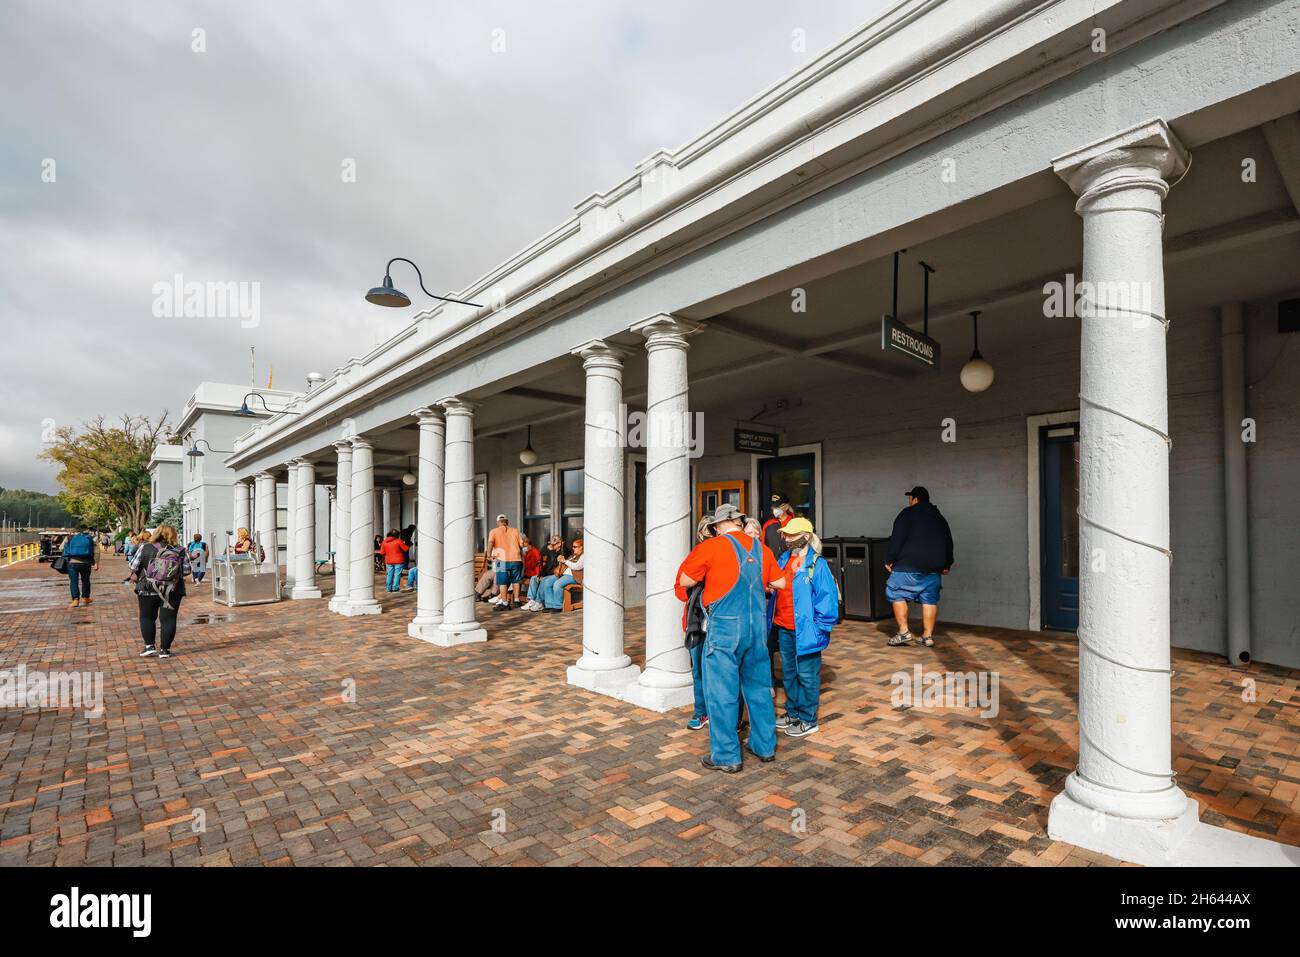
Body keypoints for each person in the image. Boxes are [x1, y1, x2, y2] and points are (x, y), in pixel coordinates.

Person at [676, 504, 786, 772]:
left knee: (722, 691)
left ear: (716, 526)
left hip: (725, 628)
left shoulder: (711, 546)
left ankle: (726, 755)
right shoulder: (761, 548)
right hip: (756, 628)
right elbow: (780, 583)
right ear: (740, 522)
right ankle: (764, 746)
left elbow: (685, 580)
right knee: (759, 688)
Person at [769, 518, 838, 738]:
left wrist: (820, 628)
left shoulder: (817, 564)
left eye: (792, 535)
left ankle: (808, 719)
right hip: (784, 626)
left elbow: (827, 599)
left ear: (806, 537)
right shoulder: (783, 559)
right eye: (786, 535)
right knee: (789, 673)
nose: (787, 538)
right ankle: (793, 712)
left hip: (807, 629)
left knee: (807, 676)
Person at [884, 486, 954, 648]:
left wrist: (889, 558)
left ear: (915, 499)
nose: (909, 501)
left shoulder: (907, 514)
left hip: (908, 564)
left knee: (895, 592)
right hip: (934, 567)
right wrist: (947, 563)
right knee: (929, 599)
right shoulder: (939, 517)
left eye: (910, 498)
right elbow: (948, 541)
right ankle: (927, 637)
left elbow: (897, 538)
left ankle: (903, 632)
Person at [130, 524, 191, 659]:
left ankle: (149, 646)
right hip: (172, 590)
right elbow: (187, 570)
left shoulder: (145, 547)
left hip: (147, 588)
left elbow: (133, 565)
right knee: (169, 619)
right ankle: (164, 650)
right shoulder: (180, 550)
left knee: (147, 617)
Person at [681, 517, 715, 730]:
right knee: (698, 671)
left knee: (718, 670)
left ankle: (718, 713)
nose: (709, 533)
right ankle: (701, 712)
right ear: (700, 533)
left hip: (719, 620)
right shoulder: (694, 555)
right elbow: (680, 585)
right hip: (696, 620)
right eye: (706, 529)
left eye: (713, 528)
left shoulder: (724, 553)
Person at [486, 514, 525, 611]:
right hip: (516, 559)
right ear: (507, 522)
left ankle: (505, 603)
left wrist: (489, 555)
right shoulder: (515, 531)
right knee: (516, 581)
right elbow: (522, 544)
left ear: (498, 522)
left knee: (502, 582)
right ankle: (516, 601)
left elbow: (490, 543)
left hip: (502, 560)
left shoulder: (494, 531)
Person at [539, 539, 584, 611]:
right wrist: (560, 560)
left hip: (573, 576)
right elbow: (565, 563)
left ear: (581, 547)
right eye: (572, 546)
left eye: (575, 547)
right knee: (547, 582)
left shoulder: (583, 556)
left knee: (557, 584)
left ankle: (558, 606)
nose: (573, 548)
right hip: (563, 574)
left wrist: (565, 561)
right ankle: (549, 605)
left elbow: (577, 566)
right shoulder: (573, 556)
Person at [523, 535, 564, 611]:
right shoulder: (552, 552)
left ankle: (539, 602)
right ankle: (531, 600)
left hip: (558, 574)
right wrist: (541, 574)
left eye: (553, 544)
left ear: (559, 544)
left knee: (545, 580)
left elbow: (558, 568)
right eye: (550, 544)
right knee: (534, 578)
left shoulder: (564, 551)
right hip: (549, 573)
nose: (551, 546)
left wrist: (545, 575)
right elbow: (546, 565)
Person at [62, 525, 99, 608]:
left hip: (72, 562)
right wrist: (96, 563)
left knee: (73, 581)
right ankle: (86, 597)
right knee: (85, 580)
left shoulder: (69, 537)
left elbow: (61, 548)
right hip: (86, 563)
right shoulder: (90, 538)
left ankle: (75, 600)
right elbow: (96, 551)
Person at [761, 493, 795, 557]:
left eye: (777, 506)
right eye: (773, 507)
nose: (775, 509)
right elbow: (763, 548)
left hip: (791, 561)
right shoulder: (768, 525)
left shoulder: (795, 523)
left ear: (786, 506)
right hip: (773, 562)